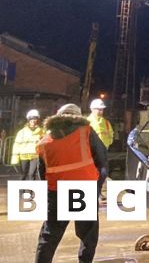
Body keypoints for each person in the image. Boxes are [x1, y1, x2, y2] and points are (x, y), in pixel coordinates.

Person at [35, 103, 108, 263]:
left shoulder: (44, 142)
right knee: (88, 234)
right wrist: (96, 187)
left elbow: (42, 172)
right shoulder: (86, 132)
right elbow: (102, 161)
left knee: (49, 235)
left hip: (57, 192)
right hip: (83, 188)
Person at [11, 109, 44, 180]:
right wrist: (15, 158)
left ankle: (30, 191)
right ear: (28, 121)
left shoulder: (42, 131)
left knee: (32, 174)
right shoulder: (22, 132)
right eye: (31, 120)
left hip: (35, 155)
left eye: (35, 120)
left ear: (37, 120)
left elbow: (45, 143)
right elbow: (16, 145)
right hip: (24, 155)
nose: (33, 122)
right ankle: (22, 190)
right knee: (23, 174)